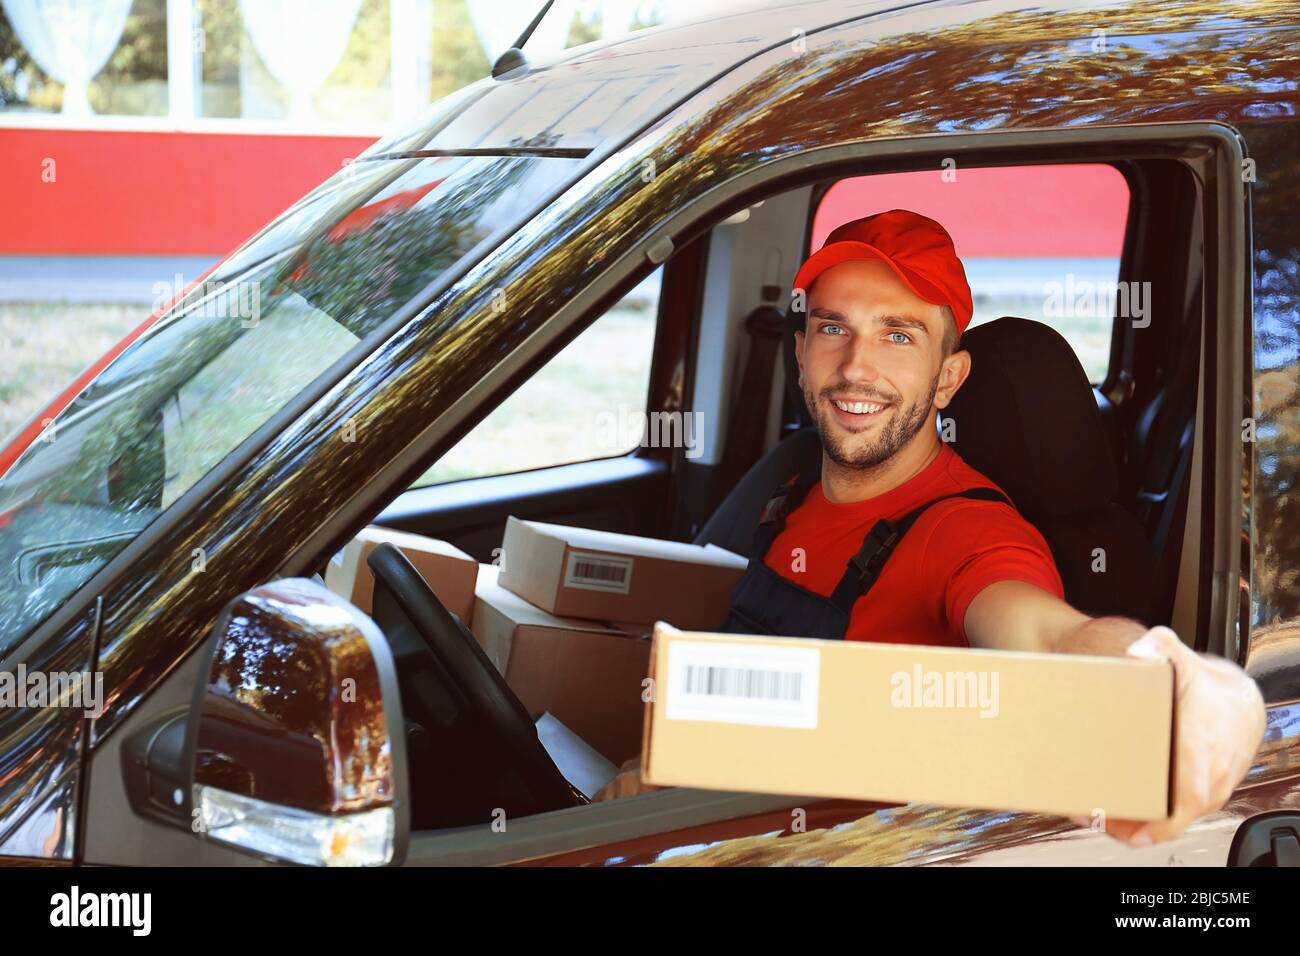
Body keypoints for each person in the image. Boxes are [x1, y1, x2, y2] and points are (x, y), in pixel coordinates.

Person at [593, 210, 1265, 850]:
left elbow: (1052, 637)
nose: (857, 367)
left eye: (899, 335)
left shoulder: (969, 534)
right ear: (800, 353)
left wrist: (1192, 688)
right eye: (834, 329)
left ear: (948, 377)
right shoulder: (792, 492)